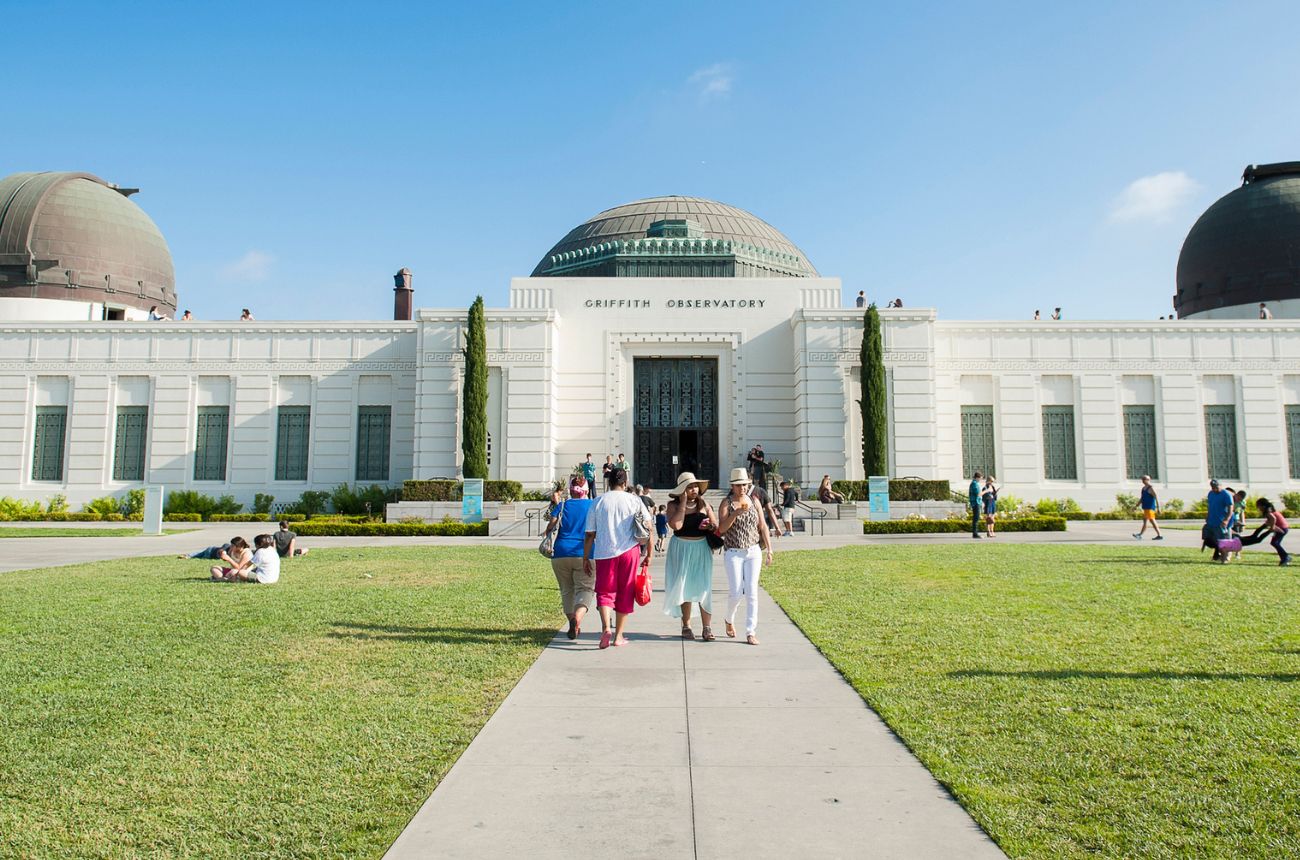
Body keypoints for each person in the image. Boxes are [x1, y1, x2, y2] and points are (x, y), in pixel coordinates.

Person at [583, 466, 652, 649]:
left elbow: (590, 534)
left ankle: (606, 628)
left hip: (604, 552)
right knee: (625, 592)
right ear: (625, 482)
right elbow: (648, 526)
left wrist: (585, 557)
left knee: (605, 592)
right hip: (629, 552)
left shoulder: (598, 501)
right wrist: (649, 554)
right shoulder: (634, 500)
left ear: (609, 481)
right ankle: (618, 636)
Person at [718, 468, 774, 645]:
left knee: (751, 592)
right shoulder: (726, 504)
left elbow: (763, 526)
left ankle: (750, 631)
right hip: (733, 552)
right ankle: (729, 619)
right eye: (739, 485)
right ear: (733, 486)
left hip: (753, 551)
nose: (742, 488)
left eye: (745, 485)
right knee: (735, 592)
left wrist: (770, 550)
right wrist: (734, 514)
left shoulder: (754, 500)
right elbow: (722, 529)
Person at [663, 471, 717, 641]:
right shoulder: (673, 505)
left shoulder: (704, 504)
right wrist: (683, 503)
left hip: (701, 547)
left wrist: (708, 525)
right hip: (681, 548)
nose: (693, 490)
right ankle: (686, 625)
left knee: (704, 586)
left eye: (695, 486)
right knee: (683, 586)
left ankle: (707, 627)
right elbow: (676, 525)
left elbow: (716, 526)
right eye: (689, 487)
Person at [544, 480, 596, 639]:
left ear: (571, 491)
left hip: (560, 553)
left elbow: (550, 528)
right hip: (585, 553)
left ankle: (572, 621)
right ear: (586, 491)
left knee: (567, 590)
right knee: (585, 589)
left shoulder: (563, 506)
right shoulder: (592, 506)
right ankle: (577, 619)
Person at [1242, 498, 1290, 565]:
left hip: (1282, 528)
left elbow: (1273, 518)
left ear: (1263, 506)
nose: (1258, 508)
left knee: (1275, 543)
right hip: (1284, 527)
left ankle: (1285, 557)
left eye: (1258, 506)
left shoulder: (1268, 512)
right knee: (1275, 543)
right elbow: (1267, 523)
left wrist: (1272, 527)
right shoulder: (1270, 510)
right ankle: (1285, 557)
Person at [1202, 479, 1234, 561]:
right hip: (1212, 521)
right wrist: (1208, 516)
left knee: (1224, 541)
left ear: (1220, 486)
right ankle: (1220, 555)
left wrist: (1226, 519)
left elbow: (1230, 508)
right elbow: (1210, 506)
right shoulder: (1211, 493)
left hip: (1222, 522)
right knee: (1213, 540)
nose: (1214, 489)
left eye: (1216, 487)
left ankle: (1225, 558)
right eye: (1212, 487)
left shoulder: (1226, 494)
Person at [1132, 476, 1163, 541]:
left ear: (1148, 480)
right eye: (1142, 479)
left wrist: (1158, 508)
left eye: (1144, 479)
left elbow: (1156, 497)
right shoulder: (1143, 488)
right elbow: (1142, 498)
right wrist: (1136, 506)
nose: (1142, 481)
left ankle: (1159, 535)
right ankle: (1140, 535)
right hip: (1146, 507)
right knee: (1145, 521)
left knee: (1152, 521)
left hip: (1150, 508)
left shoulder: (1151, 488)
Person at [968, 471, 983, 539]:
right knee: (976, 518)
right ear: (977, 478)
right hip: (975, 503)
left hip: (977, 502)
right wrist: (987, 491)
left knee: (976, 518)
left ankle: (975, 533)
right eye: (980, 478)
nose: (980, 480)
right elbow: (978, 494)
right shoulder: (974, 484)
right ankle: (975, 533)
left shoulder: (975, 483)